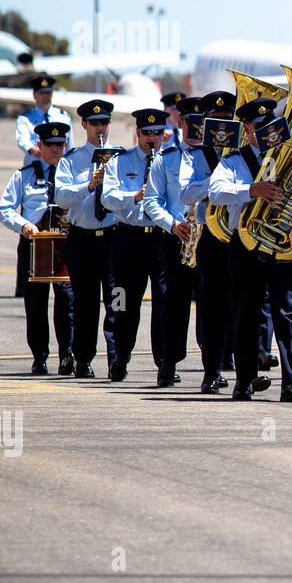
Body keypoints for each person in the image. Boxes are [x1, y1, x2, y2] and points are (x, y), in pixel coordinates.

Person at [210, 97, 292, 401]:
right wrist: (251, 190)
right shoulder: (233, 160)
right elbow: (215, 192)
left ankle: (290, 380)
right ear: (248, 131)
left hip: (285, 246)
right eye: (260, 127)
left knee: (288, 312)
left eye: (272, 126)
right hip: (248, 245)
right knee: (246, 312)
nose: (268, 132)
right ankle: (244, 380)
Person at [0, 121, 74, 375]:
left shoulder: (73, 175)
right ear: (39, 146)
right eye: (49, 145)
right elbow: (3, 208)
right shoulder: (24, 175)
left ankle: (67, 355)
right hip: (34, 243)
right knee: (36, 303)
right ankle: (39, 356)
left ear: (65, 145)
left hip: (64, 244)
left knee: (67, 301)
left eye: (60, 144)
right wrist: (23, 225)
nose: (55, 150)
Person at [54, 99, 119, 379]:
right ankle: (83, 359)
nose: (99, 128)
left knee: (118, 301)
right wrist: (89, 184)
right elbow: (61, 197)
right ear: (84, 125)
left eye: (104, 122)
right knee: (86, 303)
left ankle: (118, 357)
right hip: (83, 238)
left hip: (114, 239)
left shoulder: (121, 158)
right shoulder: (72, 160)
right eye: (94, 123)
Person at [101, 108, 168, 382]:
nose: (152, 139)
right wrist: (135, 196)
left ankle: (165, 363)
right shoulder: (120, 161)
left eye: (158, 133)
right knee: (126, 303)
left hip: (162, 239)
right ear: (137, 133)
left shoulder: (170, 161)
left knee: (165, 303)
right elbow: (107, 198)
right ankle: (121, 356)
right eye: (147, 133)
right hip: (130, 237)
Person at [143, 95, 203, 387]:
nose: (197, 128)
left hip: (209, 238)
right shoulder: (166, 159)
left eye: (202, 122)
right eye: (191, 122)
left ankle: (213, 365)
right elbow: (152, 201)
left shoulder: (218, 157)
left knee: (211, 303)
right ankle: (168, 361)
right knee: (173, 303)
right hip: (177, 236)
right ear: (180, 122)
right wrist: (172, 223)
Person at [182, 90, 237, 393]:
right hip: (212, 236)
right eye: (215, 120)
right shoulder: (194, 155)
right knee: (213, 307)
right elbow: (187, 194)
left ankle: (244, 369)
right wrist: (215, 182)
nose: (221, 125)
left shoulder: (243, 153)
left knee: (243, 305)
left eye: (227, 119)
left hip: (241, 235)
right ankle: (211, 371)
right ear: (204, 123)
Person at [15, 75, 73, 165]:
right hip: (35, 166)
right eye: (41, 93)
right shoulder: (25, 118)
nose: (45, 96)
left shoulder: (63, 117)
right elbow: (22, 138)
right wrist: (31, 148)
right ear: (34, 94)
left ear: (52, 93)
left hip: (58, 167)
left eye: (48, 92)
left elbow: (69, 145)